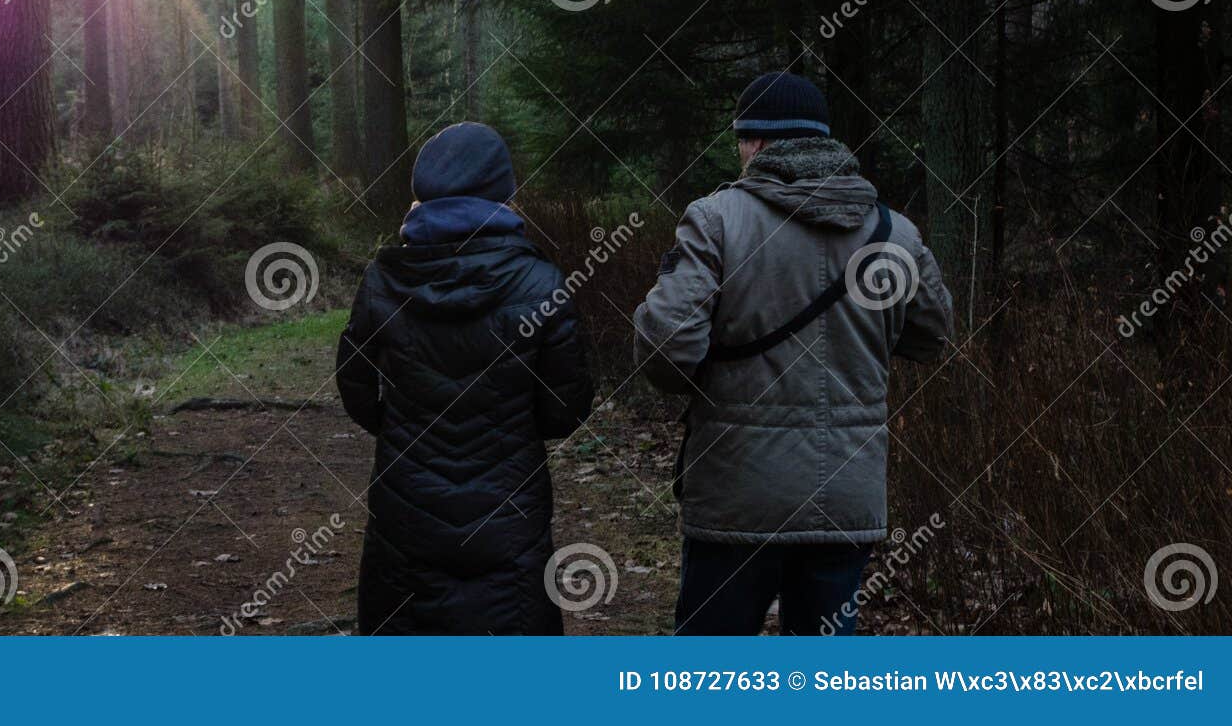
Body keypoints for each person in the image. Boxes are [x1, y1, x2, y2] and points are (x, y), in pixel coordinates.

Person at [634, 71, 953, 635]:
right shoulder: (894, 233)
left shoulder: (716, 221)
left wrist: (712, 375)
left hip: (738, 495)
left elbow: (665, 345)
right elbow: (931, 336)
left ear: (756, 142)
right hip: (845, 498)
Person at [336, 121, 595, 634]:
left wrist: (398, 426)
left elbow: (354, 381)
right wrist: (514, 428)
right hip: (508, 507)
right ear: (503, 192)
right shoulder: (541, 281)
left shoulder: (384, 279)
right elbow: (566, 406)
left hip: (406, 504)